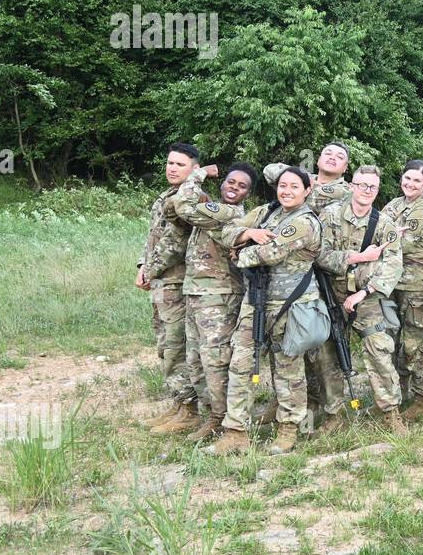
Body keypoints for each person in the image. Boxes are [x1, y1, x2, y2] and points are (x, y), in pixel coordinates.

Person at [204, 166, 323, 456]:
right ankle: (235, 431)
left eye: (294, 186)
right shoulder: (266, 213)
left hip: (290, 306)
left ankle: (289, 428)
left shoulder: (304, 221)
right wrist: (248, 233)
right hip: (256, 299)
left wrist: (241, 252)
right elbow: (228, 231)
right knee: (240, 363)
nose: (287, 191)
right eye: (283, 185)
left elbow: (270, 253)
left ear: (307, 191)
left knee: (288, 368)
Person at [264, 142, 353, 429]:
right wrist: (301, 177)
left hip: (325, 273)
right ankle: (294, 401)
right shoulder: (299, 181)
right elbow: (269, 171)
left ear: (345, 168)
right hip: (290, 271)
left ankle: (335, 410)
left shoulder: (344, 190)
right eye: (328, 152)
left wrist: (307, 182)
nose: (332, 158)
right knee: (287, 340)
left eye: (340, 157)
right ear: (317, 159)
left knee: (327, 344)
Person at [166, 161, 257, 442]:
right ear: (223, 184)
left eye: (242, 186)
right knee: (195, 358)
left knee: (215, 360)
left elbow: (183, 204)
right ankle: (210, 413)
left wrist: (200, 173)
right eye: (231, 182)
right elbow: (172, 207)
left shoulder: (229, 213)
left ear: (247, 194)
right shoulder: (210, 207)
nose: (234, 188)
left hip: (219, 297)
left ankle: (222, 417)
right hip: (196, 293)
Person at [314, 164, 407, 434]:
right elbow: (320, 255)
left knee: (379, 348)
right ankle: (334, 413)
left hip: (366, 298)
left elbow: (393, 264)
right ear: (352, 185)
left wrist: (363, 293)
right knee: (327, 353)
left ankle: (389, 412)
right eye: (362, 184)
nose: (367, 190)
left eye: (373, 187)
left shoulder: (384, 223)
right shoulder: (330, 216)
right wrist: (358, 258)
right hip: (331, 295)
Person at [137, 143, 199, 432]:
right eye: (170, 163)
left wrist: (150, 270)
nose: (172, 168)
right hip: (162, 281)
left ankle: (189, 409)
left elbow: (175, 242)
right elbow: (153, 237)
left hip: (178, 281)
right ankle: (178, 403)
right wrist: (142, 265)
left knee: (176, 346)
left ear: (194, 170)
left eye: (180, 164)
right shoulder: (167, 196)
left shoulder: (190, 199)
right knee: (164, 343)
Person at [389, 161, 423, 421]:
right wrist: (390, 233)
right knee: (394, 342)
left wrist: (389, 235)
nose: (410, 184)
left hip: (417, 286)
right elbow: (376, 230)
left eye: (416, 181)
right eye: (407, 178)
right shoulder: (395, 205)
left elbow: (404, 243)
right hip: (392, 284)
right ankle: (397, 394)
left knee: (417, 344)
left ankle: (422, 398)